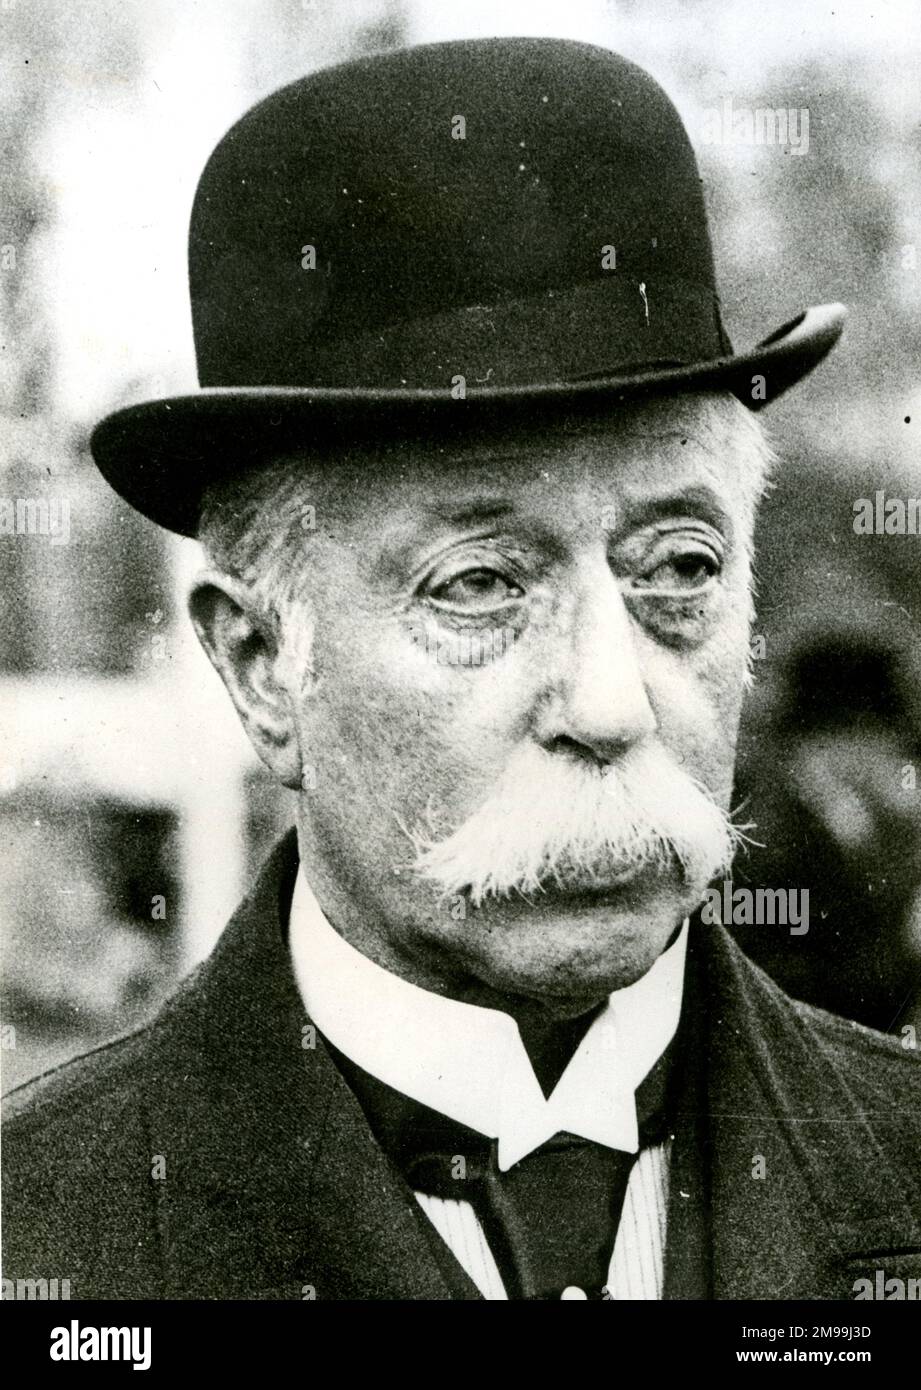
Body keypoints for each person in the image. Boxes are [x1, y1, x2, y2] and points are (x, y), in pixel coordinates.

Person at [3, 37, 918, 1302]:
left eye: (681, 569)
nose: (610, 703)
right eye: (481, 584)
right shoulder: (42, 1250)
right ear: (263, 665)